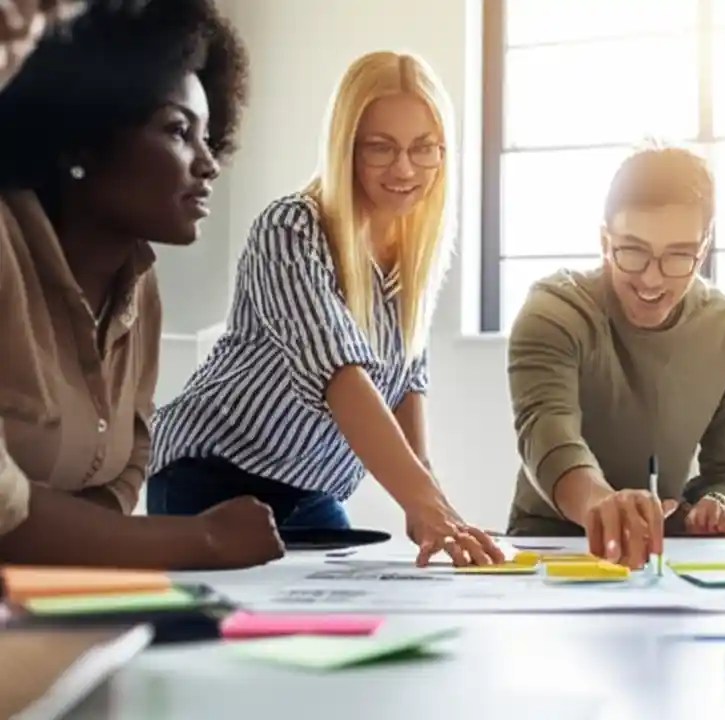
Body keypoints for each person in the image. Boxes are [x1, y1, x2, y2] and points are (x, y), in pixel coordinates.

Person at [146, 51, 502, 568]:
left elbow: (405, 386)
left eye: (423, 149)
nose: (405, 168)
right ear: (346, 148)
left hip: (311, 491)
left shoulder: (412, 257)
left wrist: (437, 507)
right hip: (210, 475)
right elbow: (340, 375)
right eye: (381, 148)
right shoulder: (290, 229)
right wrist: (422, 503)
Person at [0, 0, 285, 569]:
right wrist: (199, 539)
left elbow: (126, 465)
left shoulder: (138, 286)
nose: (208, 164)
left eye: (209, 137)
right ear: (82, 137)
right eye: (179, 130)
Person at [506, 145, 725, 569]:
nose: (652, 278)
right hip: (550, 540)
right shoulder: (553, 310)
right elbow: (547, 437)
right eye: (633, 250)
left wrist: (716, 505)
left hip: (668, 549)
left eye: (679, 255)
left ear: (705, 247)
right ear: (604, 240)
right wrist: (604, 505)